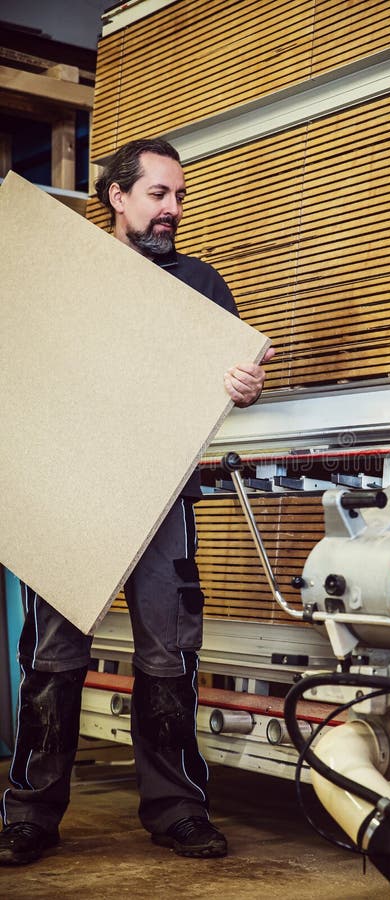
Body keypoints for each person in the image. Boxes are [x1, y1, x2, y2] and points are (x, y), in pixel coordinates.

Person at [0, 138, 275, 866]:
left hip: (162, 502)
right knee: (52, 659)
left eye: (179, 196)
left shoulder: (201, 284)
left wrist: (246, 389)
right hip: (69, 496)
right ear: (117, 197)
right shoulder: (65, 276)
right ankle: (29, 814)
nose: (173, 210)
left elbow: (237, 380)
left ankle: (178, 809)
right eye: (159, 194)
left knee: (169, 656)